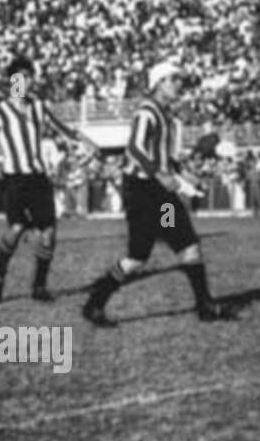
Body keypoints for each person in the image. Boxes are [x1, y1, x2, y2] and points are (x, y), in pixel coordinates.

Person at [82, 62, 235, 326]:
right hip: (143, 191)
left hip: (158, 193)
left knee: (187, 244)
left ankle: (204, 304)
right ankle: (95, 303)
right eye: (174, 80)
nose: (179, 85)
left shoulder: (163, 114)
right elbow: (135, 149)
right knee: (137, 257)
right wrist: (162, 174)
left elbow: (160, 156)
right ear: (160, 82)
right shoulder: (148, 112)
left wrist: (180, 172)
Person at [0, 56, 100, 303]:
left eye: (29, 78)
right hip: (16, 179)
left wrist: (87, 141)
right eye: (21, 78)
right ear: (11, 81)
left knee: (48, 231)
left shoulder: (39, 106)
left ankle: (39, 286)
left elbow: (64, 129)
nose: (27, 82)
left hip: (38, 177)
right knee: (17, 228)